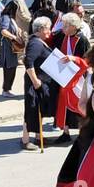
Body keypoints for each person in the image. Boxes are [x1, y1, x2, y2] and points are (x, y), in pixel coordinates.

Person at [52, 13, 91, 145]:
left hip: (78, 78)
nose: (63, 27)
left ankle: (84, 132)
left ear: (73, 26)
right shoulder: (64, 37)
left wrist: (74, 59)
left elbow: (88, 61)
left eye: (66, 25)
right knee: (65, 106)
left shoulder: (82, 40)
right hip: (65, 76)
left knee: (78, 106)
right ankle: (66, 132)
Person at [22, 17, 58, 151]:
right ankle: (25, 140)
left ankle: (39, 136)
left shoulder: (39, 42)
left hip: (41, 82)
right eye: (48, 28)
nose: (50, 31)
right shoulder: (36, 43)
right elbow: (28, 62)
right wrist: (36, 81)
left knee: (40, 110)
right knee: (31, 110)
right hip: (35, 83)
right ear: (41, 29)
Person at [0, 0, 25, 95]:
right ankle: (6, 89)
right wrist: (15, 37)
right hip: (7, 47)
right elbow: (3, 31)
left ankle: (7, 89)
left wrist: (19, 31)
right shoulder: (6, 17)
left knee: (12, 68)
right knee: (9, 69)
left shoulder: (10, 18)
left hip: (11, 47)